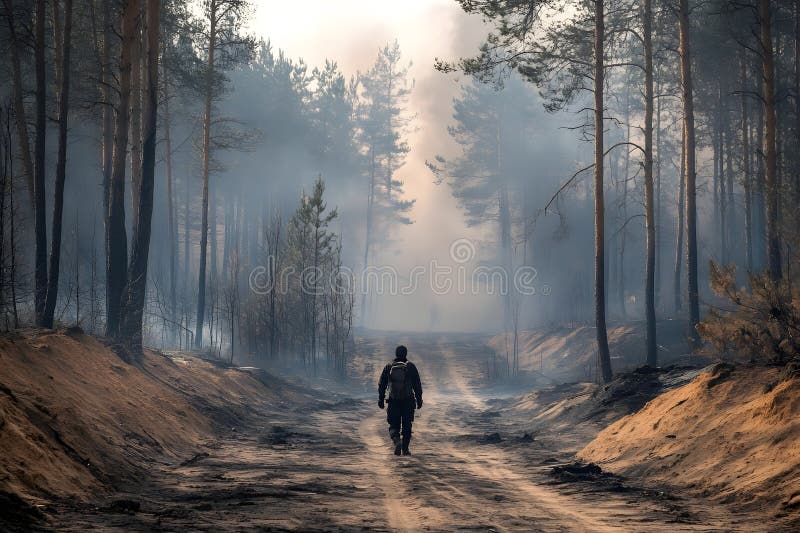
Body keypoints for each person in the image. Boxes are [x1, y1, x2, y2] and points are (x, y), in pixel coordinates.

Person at [378, 345, 423, 455]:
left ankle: (397, 441)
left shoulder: (389, 366)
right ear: (406, 354)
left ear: (396, 353)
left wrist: (381, 399)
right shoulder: (411, 366)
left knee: (393, 425)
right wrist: (419, 399)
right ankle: (405, 449)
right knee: (407, 426)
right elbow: (417, 385)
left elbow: (382, 384)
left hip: (394, 401)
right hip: (408, 401)